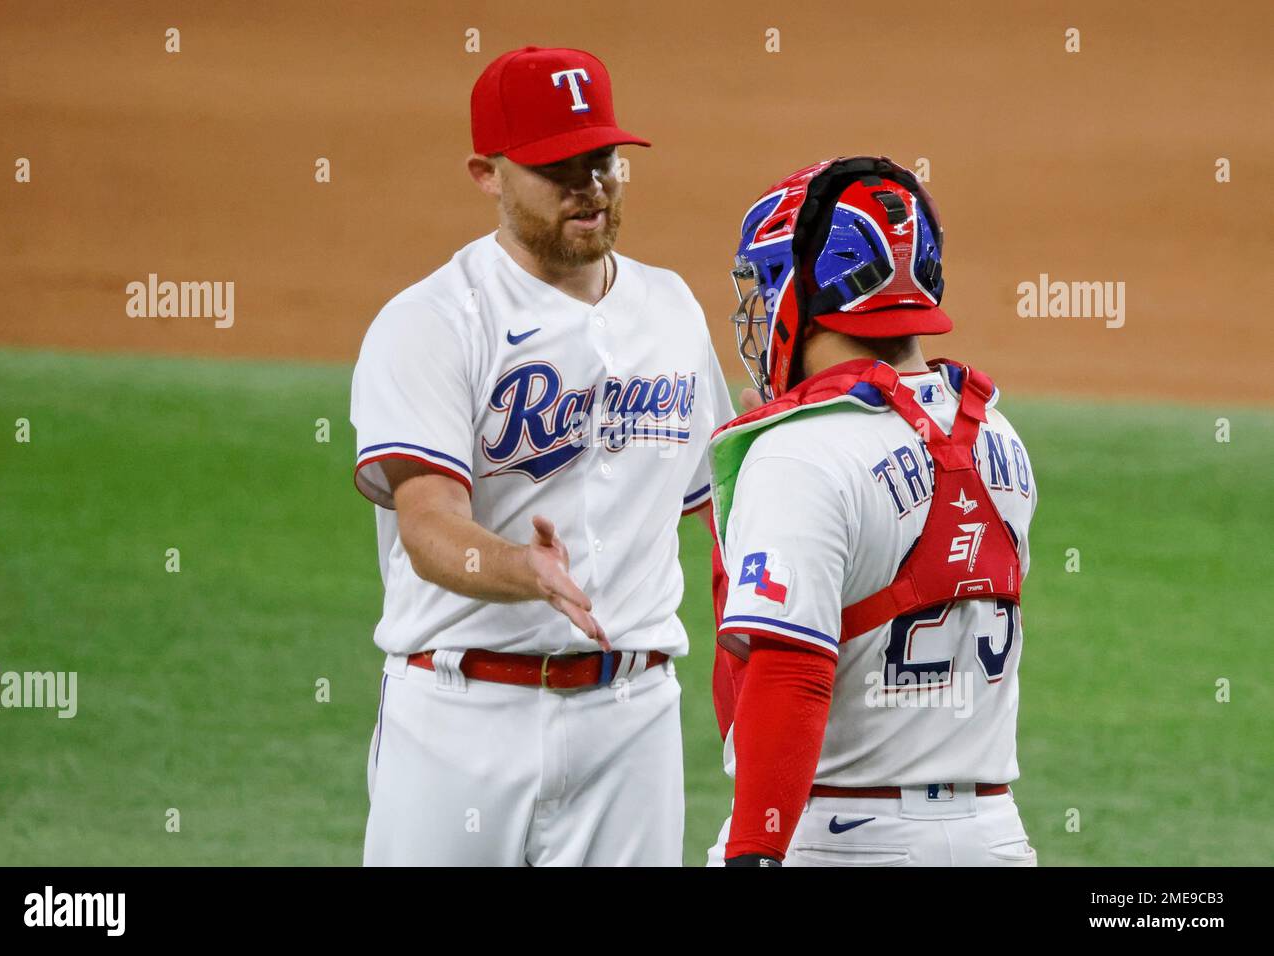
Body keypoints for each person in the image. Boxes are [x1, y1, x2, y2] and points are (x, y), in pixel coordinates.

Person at [350, 45, 734, 866]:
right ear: (486, 173)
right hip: (459, 720)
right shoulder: (434, 322)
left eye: (600, 161)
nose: (587, 185)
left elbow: (718, 509)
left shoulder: (672, 310)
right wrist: (522, 571)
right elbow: (426, 525)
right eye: (557, 167)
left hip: (630, 721)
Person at [705, 156, 1039, 866]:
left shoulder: (799, 454)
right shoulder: (997, 435)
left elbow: (788, 670)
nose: (757, 312)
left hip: (842, 838)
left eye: (765, 285)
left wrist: (754, 852)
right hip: (994, 836)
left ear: (803, 290)